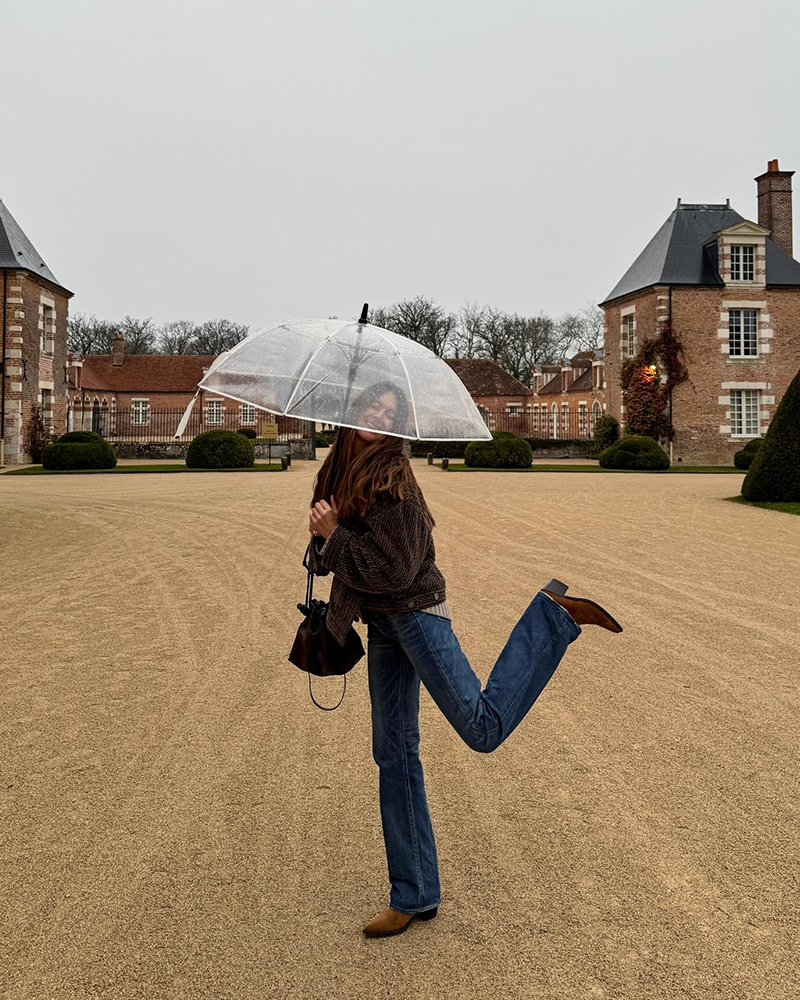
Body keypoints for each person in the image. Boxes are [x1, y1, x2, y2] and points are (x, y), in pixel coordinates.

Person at [304, 381, 622, 940]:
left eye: (388, 409)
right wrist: (320, 539)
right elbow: (340, 558)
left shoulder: (393, 479)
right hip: (381, 624)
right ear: (352, 410)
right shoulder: (338, 473)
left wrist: (333, 540)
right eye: (369, 405)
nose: (376, 413)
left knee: (481, 728)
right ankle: (413, 893)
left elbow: (396, 571)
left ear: (399, 423)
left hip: (415, 615)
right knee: (394, 755)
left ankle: (550, 616)